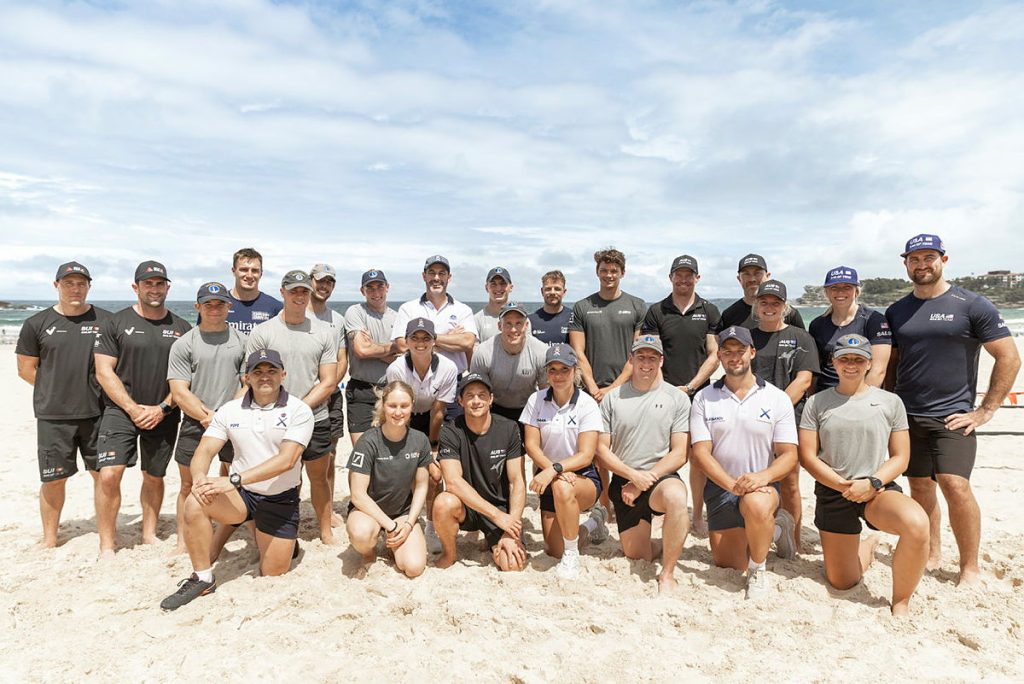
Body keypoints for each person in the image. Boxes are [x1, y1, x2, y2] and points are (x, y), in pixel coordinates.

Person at [885, 233, 1020, 585]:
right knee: (920, 485)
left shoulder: (972, 304)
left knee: (954, 485)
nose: (921, 264)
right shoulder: (897, 310)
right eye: (914, 259)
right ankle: (932, 553)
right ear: (905, 264)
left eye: (929, 257)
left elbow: (1008, 357)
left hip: (954, 415)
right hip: (908, 415)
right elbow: (892, 364)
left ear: (943, 260)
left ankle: (970, 567)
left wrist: (985, 411)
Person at [159, 349, 314, 610]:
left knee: (273, 573)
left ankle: (282, 539)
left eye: (272, 371)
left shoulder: (299, 410)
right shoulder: (230, 410)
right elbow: (204, 451)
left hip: (279, 498)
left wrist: (233, 479)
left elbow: (287, 460)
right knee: (196, 499)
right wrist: (199, 480)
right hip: (243, 495)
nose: (265, 377)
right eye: (258, 372)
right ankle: (202, 578)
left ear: (283, 375)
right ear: (247, 378)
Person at [798, 335, 929, 616]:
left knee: (917, 524)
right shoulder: (817, 403)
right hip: (834, 490)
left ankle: (901, 601)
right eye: (844, 358)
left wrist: (872, 483)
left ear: (869, 363)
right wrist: (843, 485)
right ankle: (867, 545)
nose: (851, 365)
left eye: (858, 359)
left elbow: (900, 457)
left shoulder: (890, 402)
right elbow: (808, 457)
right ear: (833, 362)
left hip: (877, 489)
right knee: (842, 581)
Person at [688, 326, 799, 601]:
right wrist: (730, 484)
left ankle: (758, 572)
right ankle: (775, 530)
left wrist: (762, 478)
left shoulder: (776, 397)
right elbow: (701, 454)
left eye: (740, 351)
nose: (734, 357)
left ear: (752, 352)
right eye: (727, 352)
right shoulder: (704, 398)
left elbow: (789, 455)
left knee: (756, 506)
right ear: (720, 356)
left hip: (761, 486)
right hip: (722, 488)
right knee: (729, 563)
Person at [93, 261, 192, 558]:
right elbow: (103, 371)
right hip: (120, 411)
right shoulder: (114, 322)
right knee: (109, 474)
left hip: (164, 412)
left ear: (168, 287)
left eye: (160, 283)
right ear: (136, 287)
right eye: (148, 283)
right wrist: (133, 408)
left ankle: (149, 534)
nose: (154, 289)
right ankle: (107, 545)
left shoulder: (181, 328)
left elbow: (186, 378)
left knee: (154, 475)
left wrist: (162, 407)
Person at [16, 261, 111, 548]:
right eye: (68, 283)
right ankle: (49, 539)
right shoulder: (36, 324)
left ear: (89, 286)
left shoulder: (107, 321)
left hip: (98, 413)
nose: (75, 288)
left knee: (104, 477)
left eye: (81, 283)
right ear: (56, 285)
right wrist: (57, 391)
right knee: (54, 479)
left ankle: (107, 537)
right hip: (53, 416)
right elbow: (25, 369)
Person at [246, 270, 338, 544]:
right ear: (283, 292)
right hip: (273, 418)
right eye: (293, 291)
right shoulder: (263, 332)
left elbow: (329, 381)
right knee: (283, 479)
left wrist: (297, 410)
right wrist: (279, 411)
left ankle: (325, 531)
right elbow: (253, 377)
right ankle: (285, 529)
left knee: (319, 478)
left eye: (304, 291)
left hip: (315, 416)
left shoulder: (323, 332)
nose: (299, 296)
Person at [596, 335, 691, 593]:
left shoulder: (678, 398)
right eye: (641, 357)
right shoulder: (612, 399)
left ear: (661, 360)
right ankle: (665, 541)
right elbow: (601, 450)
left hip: (661, 477)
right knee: (637, 554)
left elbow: (680, 453)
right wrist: (631, 477)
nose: (646, 363)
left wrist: (644, 479)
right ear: (631, 359)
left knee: (676, 497)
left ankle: (667, 574)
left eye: (652, 357)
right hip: (624, 480)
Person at [640, 254, 722, 536]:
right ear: (671, 277)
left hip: (699, 394)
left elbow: (715, 354)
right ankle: (660, 509)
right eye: (679, 274)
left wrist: (690, 386)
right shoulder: (656, 311)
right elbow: (653, 355)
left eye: (689, 275)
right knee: (661, 453)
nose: (684, 279)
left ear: (697, 278)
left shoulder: (709, 311)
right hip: (663, 393)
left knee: (698, 457)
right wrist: (665, 390)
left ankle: (697, 515)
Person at [166, 282, 246, 554]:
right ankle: (182, 539)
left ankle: (225, 530)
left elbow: (246, 383)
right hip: (194, 421)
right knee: (189, 483)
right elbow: (179, 390)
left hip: (233, 421)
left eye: (220, 304)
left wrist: (223, 417)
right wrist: (206, 416)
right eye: (208, 304)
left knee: (231, 479)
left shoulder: (241, 342)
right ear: (197, 307)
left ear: (229, 307)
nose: (215, 309)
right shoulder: (183, 343)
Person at [521, 344, 610, 579]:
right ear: (546, 372)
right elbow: (531, 445)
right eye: (553, 370)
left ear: (575, 371)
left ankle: (572, 556)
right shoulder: (536, 399)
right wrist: (554, 471)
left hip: (583, 478)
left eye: (564, 369)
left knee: (562, 487)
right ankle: (593, 524)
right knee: (552, 549)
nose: (558, 375)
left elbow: (587, 455)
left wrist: (555, 471)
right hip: (551, 476)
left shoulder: (587, 404)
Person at [569, 248, 647, 516]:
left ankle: (627, 497)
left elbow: (637, 352)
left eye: (614, 270)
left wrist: (613, 388)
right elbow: (578, 351)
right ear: (597, 272)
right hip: (591, 390)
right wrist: (592, 387)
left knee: (626, 446)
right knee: (598, 449)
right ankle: (603, 505)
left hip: (627, 388)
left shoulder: (637, 305)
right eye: (604, 270)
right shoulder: (582, 307)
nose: (609, 275)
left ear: (622, 273)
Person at [433, 373, 528, 571]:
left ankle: (492, 538)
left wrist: (511, 528)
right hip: (467, 506)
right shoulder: (450, 430)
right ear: (460, 401)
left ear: (491, 399)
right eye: (470, 396)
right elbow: (452, 482)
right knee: (443, 502)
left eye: (482, 395)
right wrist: (495, 516)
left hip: (500, 506)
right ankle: (450, 554)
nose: (476, 401)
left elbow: (517, 481)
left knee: (512, 565)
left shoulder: (509, 428)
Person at [749, 280, 818, 552]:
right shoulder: (746, 336)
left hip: (789, 416)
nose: (769, 307)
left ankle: (795, 539)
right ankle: (758, 529)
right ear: (756, 305)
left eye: (775, 303)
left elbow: (803, 380)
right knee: (755, 474)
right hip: (751, 417)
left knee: (789, 481)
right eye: (764, 302)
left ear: (785, 307)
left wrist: (774, 411)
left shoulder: (801, 337)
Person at [385, 318, 459, 552]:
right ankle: (401, 517)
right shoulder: (396, 368)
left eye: (426, 338)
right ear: (405, 341)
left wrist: (432, 447)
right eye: (414, 338)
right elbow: (398, 409)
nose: (420, 343)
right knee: (403, 468)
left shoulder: (448, 368)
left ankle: (431, 527)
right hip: (403, 415)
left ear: (434, 341)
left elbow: (438, 411)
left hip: (433, 417)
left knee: (434, 473)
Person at [346, 380, 430, 578]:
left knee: (414, 568)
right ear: (383, 405)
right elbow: (357, 495)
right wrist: (389, 526)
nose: (398, 412)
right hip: (369, 512)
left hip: (401, 513)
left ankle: (395, 546)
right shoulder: (368, 441)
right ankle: (370, 553)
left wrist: (408, 524)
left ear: (412, 406)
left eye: (404, 406)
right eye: (392, 405)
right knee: (361, 533)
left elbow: (421, 486)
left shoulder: (420, 440)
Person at [307, 263, 350, 527]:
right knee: (292, 452)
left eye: (329, 282)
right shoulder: (298, 313)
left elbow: (342, 358)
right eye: (320, 281)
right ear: (311, 281)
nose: (324, 286)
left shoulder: (338, 320)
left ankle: (327, 508)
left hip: (331, 395)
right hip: (298, 394)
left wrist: (329, 384)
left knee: (329, 454)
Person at [808, 266, 891, 390]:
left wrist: (861, 401)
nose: (840, 292)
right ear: (826, 292)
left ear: (856, 291)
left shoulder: (874, 320)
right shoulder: (817, 324)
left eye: (847, 287)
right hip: (825, 394)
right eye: (834, 288)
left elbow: (878, 370)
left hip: (861, 395)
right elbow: (815, 369)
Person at [392, 255, 477, 375]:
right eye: (432, 273)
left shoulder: (463, 310)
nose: (436, 278)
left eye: (442, 273)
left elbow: (467, 343)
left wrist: (423, 341)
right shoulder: (407, 309)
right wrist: (449, 339)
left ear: (449, 277)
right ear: (424, 276)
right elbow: (401, 346)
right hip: (415, 380)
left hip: (454, 381)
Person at [469, 302, 548, 425]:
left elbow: (545, 393)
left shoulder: (541, 351)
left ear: (526, 325)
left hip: (528, 409)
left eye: (518, 323)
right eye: (508, 324)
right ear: (499, 326)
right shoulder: (483, 352)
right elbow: (477, 392)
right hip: (493, 408)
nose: (513, 329)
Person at [344, 269, 399, 446]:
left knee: (389, 452)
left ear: (387, 287)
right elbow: (361, 350)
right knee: (362, 452)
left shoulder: (397, 318)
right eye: (370, 288)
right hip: (361, 390)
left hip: (390, 391)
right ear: (363, 291)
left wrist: (374, 348)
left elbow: (403, 353)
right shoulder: (355, 312)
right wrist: (389, 350)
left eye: (380, 287)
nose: (376, 292)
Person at [201, 247, 282, 335]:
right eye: (244, 270)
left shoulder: (276, 307)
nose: (249, 275)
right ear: (233, 271)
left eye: (254, 271)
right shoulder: (214, 305)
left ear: (261, 274)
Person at [718, 254, 805, 330]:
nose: (752, 279)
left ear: (767, 276)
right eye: (746, 274)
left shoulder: (789, 313)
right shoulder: (729, 315)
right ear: (739, 279)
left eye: (758, 273)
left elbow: (802, 341)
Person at [529, 270, 571, 345]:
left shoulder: (574, 318)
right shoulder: (530, 321)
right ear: (542, 292)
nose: (552, 292)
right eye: (548, 289)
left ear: (564, 292)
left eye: (557, 289)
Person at [473, 267, 514, 343]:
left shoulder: (522, 319)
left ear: (511, 288)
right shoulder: (476, 321)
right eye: (493, 284)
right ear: (486, 288)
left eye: (503, 284)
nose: (498, 288)